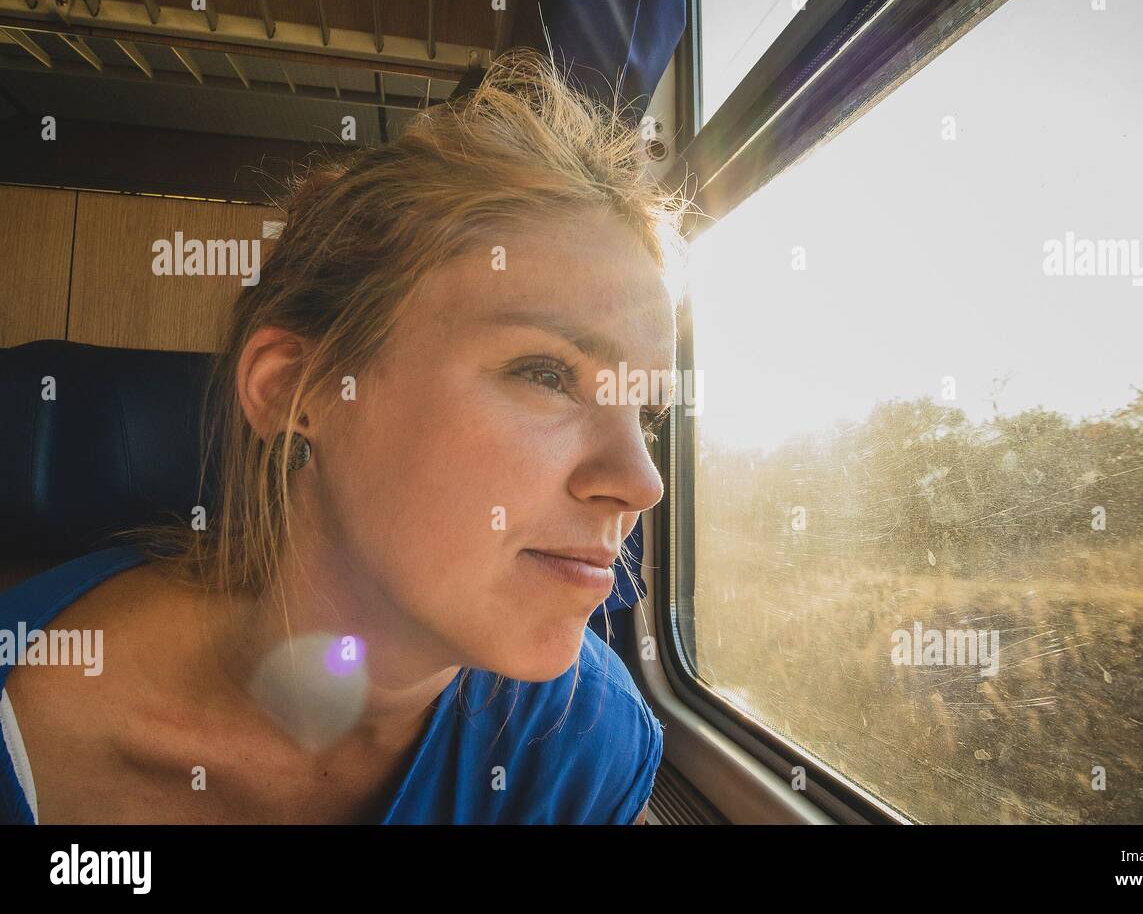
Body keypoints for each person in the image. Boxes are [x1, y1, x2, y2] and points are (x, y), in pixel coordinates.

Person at [0, 48, 692, 824]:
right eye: (545, 372)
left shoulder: (584, 746)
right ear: (297, 387)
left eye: (648, 412)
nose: (641, 482)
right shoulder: (24, 729)